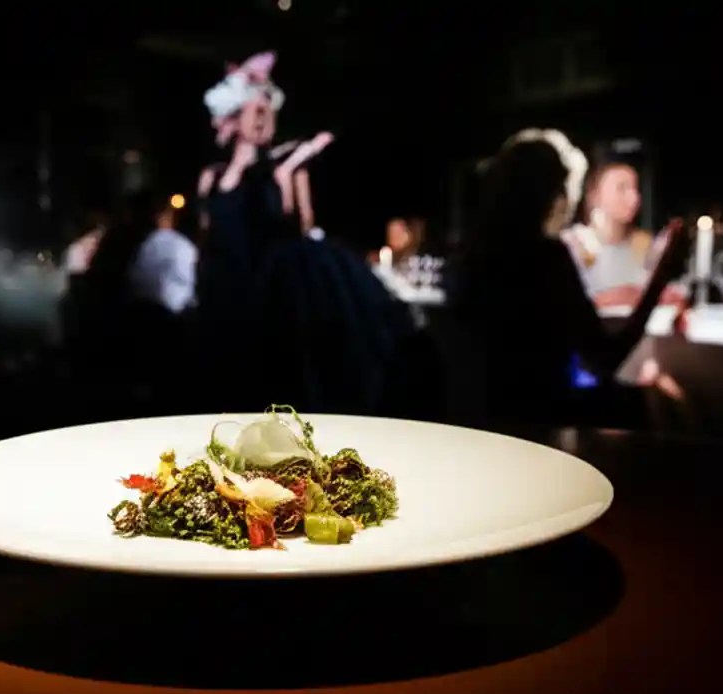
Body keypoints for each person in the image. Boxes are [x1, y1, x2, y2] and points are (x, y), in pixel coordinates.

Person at [194, 51, 410, 413]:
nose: (264, 118)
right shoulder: (212, 176)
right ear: (233, 117)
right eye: (255, 109)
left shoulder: (288, 167)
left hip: (268, 294)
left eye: (269, 110)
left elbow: (301, 232)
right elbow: (206, 237)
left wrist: (289, 172)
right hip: (225, 291)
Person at [445, 128, 689, 428]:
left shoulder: (466, 258)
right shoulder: (546, 258)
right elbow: (603, 360)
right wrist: (659, 279)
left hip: (477, 422)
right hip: (543, 423)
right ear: (549, 193)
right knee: (662, 404)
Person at [561, 161, 661, 307]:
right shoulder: (573, 244)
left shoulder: (646, 245)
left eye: (635, 189)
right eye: (622, 188)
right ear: (595, 195)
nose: (633, 198)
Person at [128, 198, 197, 315]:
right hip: (174, 310)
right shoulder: (182, 245)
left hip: (145, 309)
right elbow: (189, 278)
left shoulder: (144, 244)